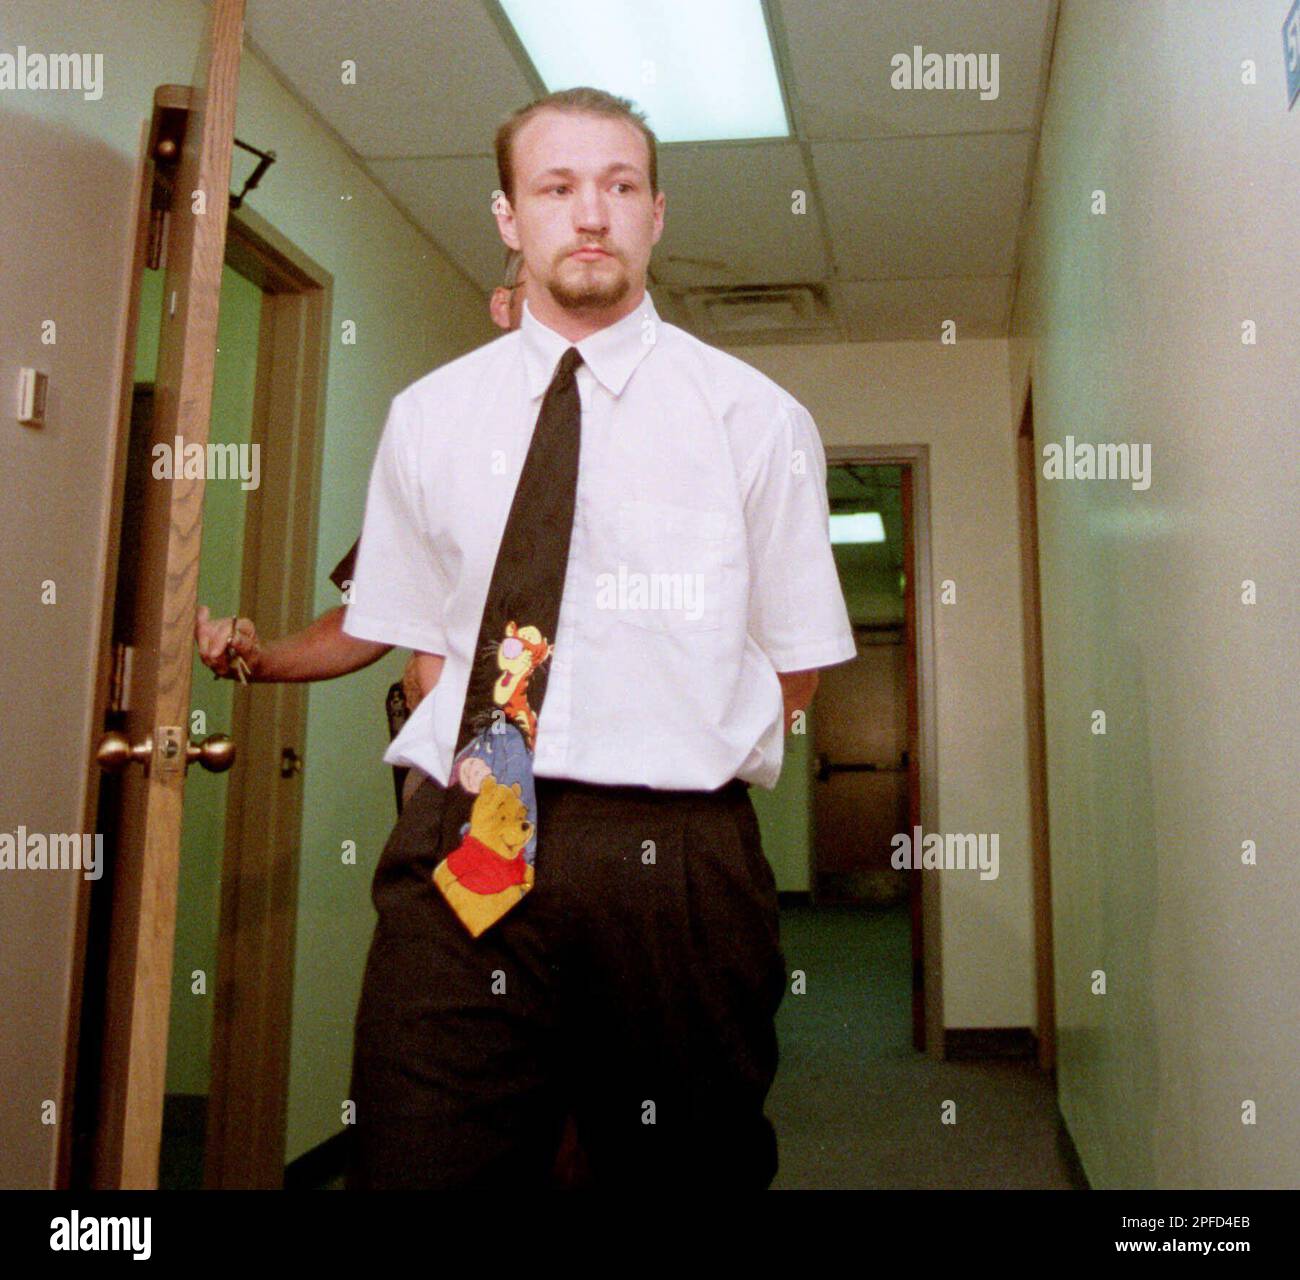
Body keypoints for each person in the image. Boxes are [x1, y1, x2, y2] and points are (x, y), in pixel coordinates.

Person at [341, 86, 856, 1191]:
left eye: (620, 187)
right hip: (466, 842)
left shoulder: (753, 418)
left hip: (671, 864)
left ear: (655, 215)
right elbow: (427, 643)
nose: (591, 213)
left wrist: (676, 745)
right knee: (419, 1164)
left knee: (681, 1173)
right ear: (507, 217)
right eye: (557, 186)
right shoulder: (428, 416)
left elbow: (796, 657)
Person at [194, 251, 532, 809]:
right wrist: (259, 659)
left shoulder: (637, 447)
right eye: (535, 287)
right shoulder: (442, 438)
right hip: (461, 775)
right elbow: (370, 615)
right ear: (503, 306)